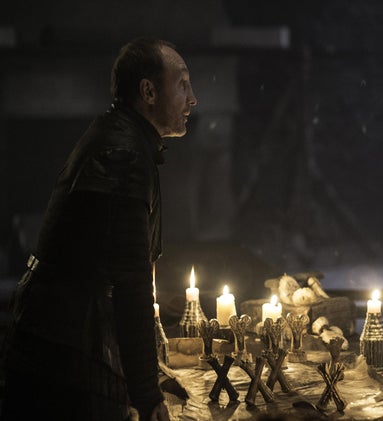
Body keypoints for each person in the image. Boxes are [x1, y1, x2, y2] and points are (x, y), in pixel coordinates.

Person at [1, 37, 197, 420]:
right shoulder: (122, 154)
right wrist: (147, 395)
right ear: (148, 92)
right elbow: (129, 281)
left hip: (63, 341)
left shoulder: (124, 139)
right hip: (67, 353)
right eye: (183, 85)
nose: (193, 99)